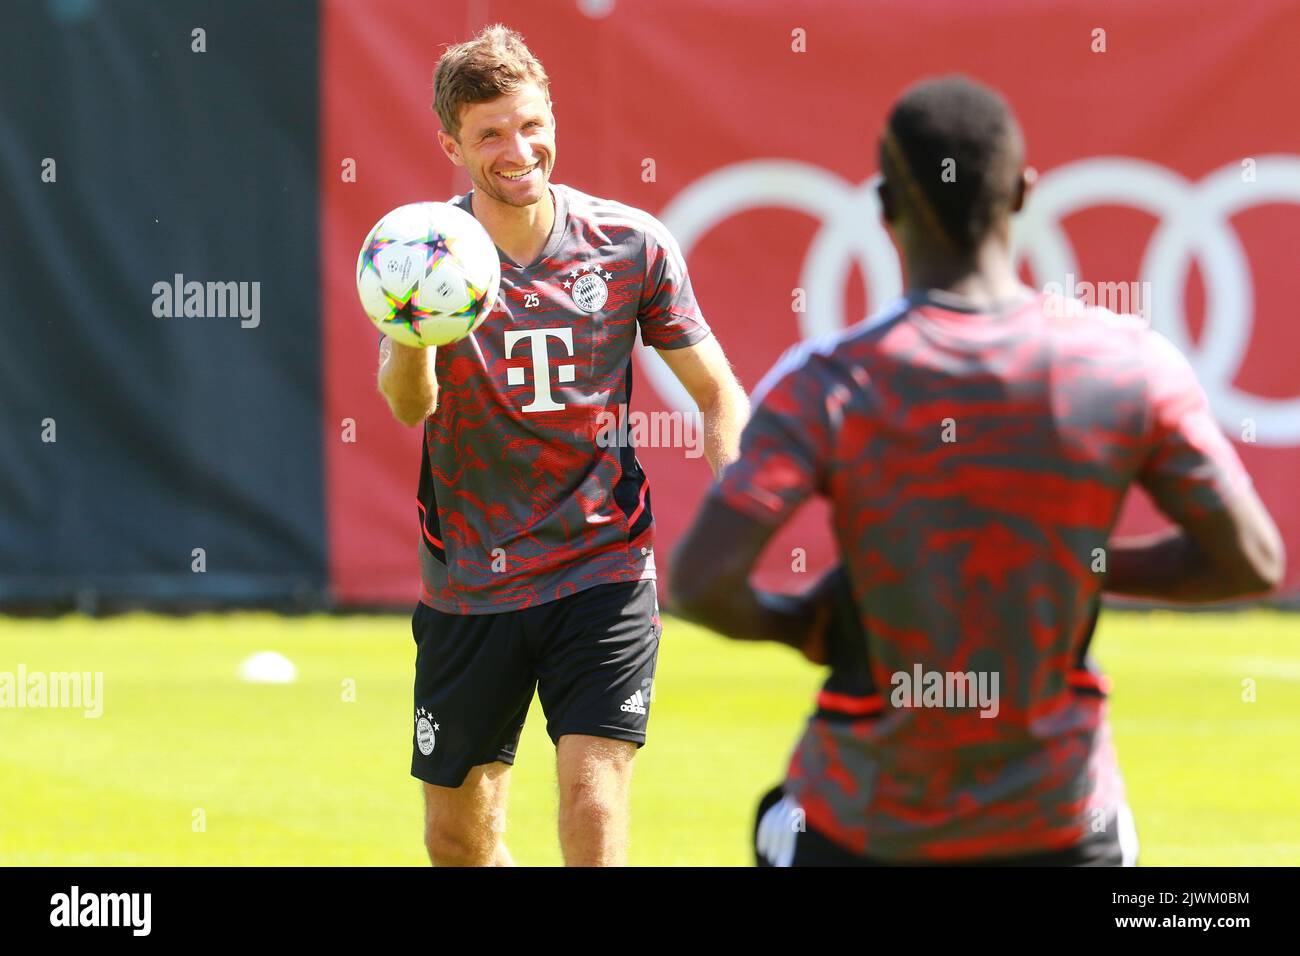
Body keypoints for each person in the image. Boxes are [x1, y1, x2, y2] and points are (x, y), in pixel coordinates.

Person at [670, 75, 1284, 866]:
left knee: (777, 826)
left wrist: (807, 623)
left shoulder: (830, 380)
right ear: (1024, 194)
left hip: (865, 823)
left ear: (885, 205)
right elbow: (1251, 560)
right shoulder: (1126, 363)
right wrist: (1079, 562)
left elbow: (699, 581)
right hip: (1065, 828)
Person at [378, 24, 749, 866]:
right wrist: (411, 327)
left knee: (591, 800)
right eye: (491, 134)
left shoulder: (631, 244)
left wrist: (737, 503)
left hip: (602, 566)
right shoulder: (421, 249)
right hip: (469, 579)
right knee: (458, 839)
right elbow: (408, 407)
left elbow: (719, 392)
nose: (519, 149)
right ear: (452, 144)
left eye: (531, 123)